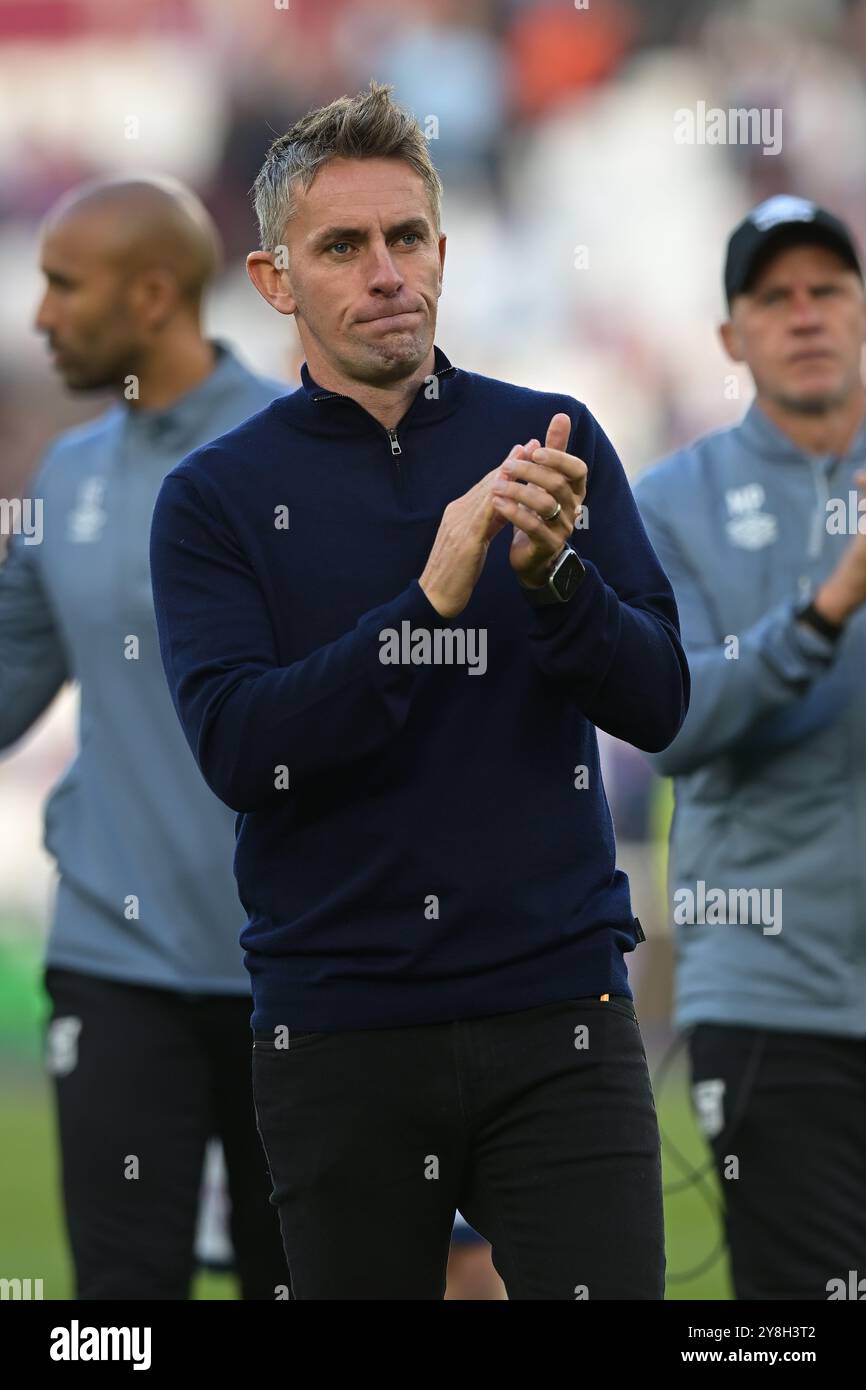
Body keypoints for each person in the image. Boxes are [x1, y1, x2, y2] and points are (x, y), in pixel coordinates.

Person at [149, 82, 689, 1301]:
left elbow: (658, 700)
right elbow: (241, 748)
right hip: (339, 1022)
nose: (384, 271)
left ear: (444, 254)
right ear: (274, 279)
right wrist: (426, 606)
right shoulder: (215, 498)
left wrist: (558, 586)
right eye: (342, 246)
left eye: (405, 239)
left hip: (558, 1005)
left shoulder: (553, 438)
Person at [0, 174, 290, 1299]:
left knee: (302, 1279)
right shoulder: (68, 475)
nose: (41, 315)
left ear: (155, 294)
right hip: (112, 955)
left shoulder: (294, 450)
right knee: (117, 1306)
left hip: (294, 960)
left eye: (64, 286)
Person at [634, 195, 866, 1300]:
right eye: (772, 297)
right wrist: (828, 606)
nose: (803, 314)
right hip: (770, 988)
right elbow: (671, 718)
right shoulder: (670, 501)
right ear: (730, 338)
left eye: (825, 289)